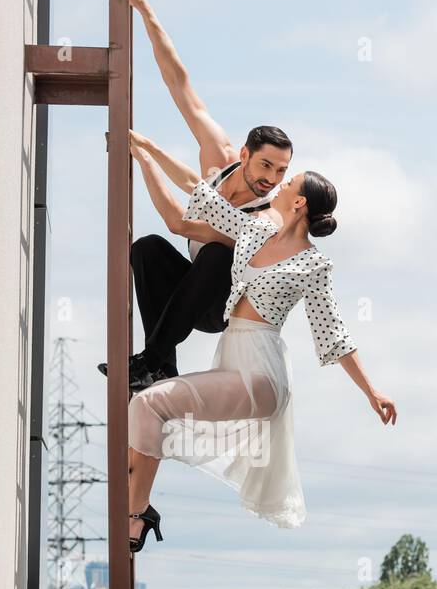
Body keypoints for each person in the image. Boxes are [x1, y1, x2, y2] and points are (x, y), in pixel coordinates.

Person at [125, 135, 398, 550]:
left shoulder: (313, 264)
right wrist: (146, 153)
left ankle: (134, 511)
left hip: (260, 375)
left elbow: (335, 337)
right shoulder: (253, 231)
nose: (280, 184)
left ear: (300, 202)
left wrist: (371, 391)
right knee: (145, 407)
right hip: (231, 363)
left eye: (290, 182)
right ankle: (137, 509)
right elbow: (198, 189)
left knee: (149, 403)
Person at [98, 0, 293, 394]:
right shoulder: (218, 162)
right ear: (243, 154)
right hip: (185, 286)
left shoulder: (264, 216)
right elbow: (179, 84)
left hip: (216, 306)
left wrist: (145, 155)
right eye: (265, 165)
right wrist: (144, 10)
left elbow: (180, 223)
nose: (271, 179)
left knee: (218, 255)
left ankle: (151, 358)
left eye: (281, 171)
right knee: (146, 249)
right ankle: (162, 367)